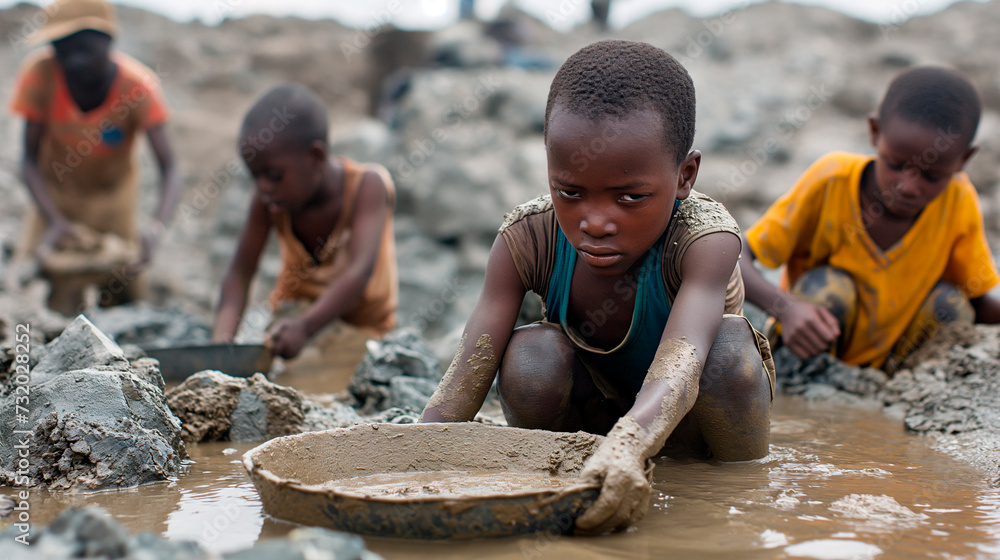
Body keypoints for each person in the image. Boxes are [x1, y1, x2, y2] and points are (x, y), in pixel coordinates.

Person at [420, 40, 774, 535]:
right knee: (530, 356)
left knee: (730, 353)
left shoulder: (704, 240)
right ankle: (556, 484)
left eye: (630, 197)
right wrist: (406, 460)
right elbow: (462, 385)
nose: (596, 222)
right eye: (570, 192)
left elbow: (684, 365)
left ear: (684, 175)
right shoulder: (529, 238)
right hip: (590, 423)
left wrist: (630, 446)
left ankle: (733, 499)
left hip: (693, 420)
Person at [740, 66, 1000, 373]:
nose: (908, 185)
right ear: (875, 132)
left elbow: (979, 301)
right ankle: (796, 382)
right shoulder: (831, 180)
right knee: (827, 288)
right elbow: (736, 256)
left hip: (895, 363)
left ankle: (909, 386)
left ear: (963, 160)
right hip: (812, 349)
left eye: (932, 176)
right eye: (895, 164)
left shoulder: (958, 200)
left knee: (951, 304)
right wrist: (786, 309)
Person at [211, 84, 398, 381]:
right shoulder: (268, 200)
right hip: (291, 324)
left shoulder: (368, 186)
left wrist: (307, 326)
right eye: (254, 177)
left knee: (323, 392)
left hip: (362, 327)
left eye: (273, 175)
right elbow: (240, 273)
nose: (263, 188)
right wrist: (220, 350)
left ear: (315, 156)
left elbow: (359, 273)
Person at [9, 0, 181, 315]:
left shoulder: (138, 88)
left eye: (83, 49)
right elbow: (28, 160)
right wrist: (55, 221)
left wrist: (156, 228)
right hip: (57, 195)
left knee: (122, 285)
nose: (73, 61)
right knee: (38, 287)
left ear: (108, 41)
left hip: (113, 198)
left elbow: (169, 168)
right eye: (61, 49)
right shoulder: (39, 75)